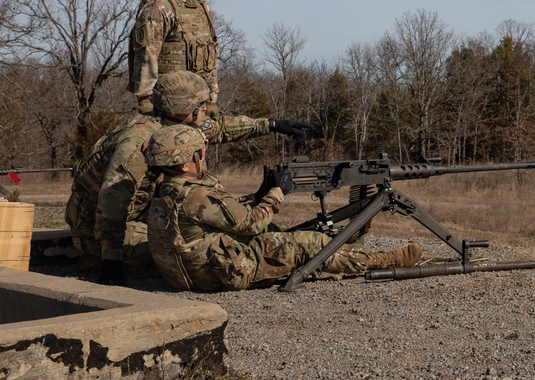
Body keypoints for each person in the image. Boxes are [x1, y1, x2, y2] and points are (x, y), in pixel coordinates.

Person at [65, 70, 316, 285]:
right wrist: (111, 257)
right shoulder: (138, 143)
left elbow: (221, 128)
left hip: (137, 213)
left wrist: (272, 125)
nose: (205, 110)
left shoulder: (177, 127)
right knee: (171, 251)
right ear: (183, 108)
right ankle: (93, 255)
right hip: (96, 224)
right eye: (200, 105)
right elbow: (111, 202)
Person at [145, 124, 423, 292]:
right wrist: (279, 192)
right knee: (308, 243)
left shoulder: (165, 190)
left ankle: (346, 243)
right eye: (200, 154)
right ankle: (384, 261)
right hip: (217, 276)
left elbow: (226, 214)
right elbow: (251, 223)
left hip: (187, 274)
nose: (202, 159)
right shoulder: (197, 196)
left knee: (279, 233)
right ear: (185, 163)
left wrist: (260, 194)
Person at [128, 0, 222, 116]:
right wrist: (146, 103)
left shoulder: (202, 6)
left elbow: (209, 59)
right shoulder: (160, 6)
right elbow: (146, 57)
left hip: (195, 110)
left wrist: (210, 101)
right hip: (166, 110)